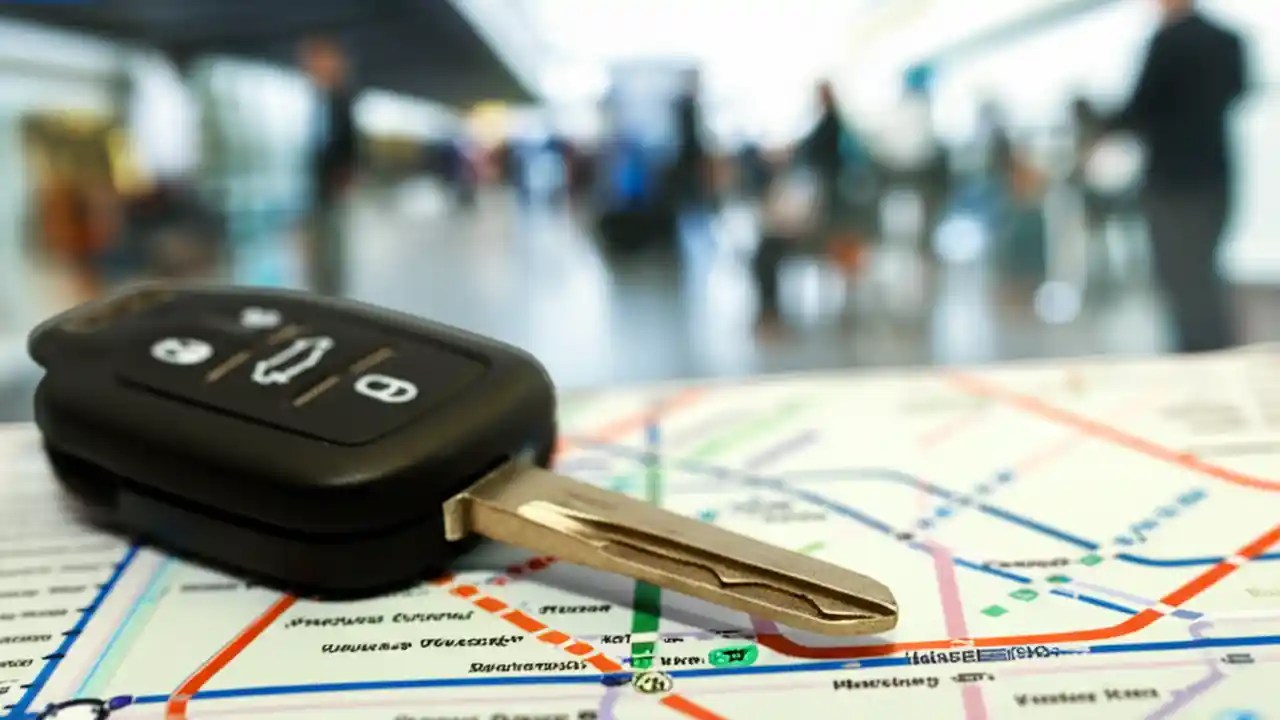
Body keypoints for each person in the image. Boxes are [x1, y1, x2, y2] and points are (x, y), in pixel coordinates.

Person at [1101, 0, 1247, 352]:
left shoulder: (1166, 43)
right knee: (1203, 272)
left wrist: (1102, 124)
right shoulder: (1227, 40)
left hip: (1172, 177)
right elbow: (1239, 91)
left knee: (1179, 277)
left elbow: (1139, 108)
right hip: (1214, 172)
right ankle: (1215, 353)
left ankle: (1197, 356)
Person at [299, 37, 358, 296]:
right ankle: (322, 291)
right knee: (317, 247)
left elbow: (347, 144)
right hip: (314, 186)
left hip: (330, 186)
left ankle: (330, 294)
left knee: (329, 247)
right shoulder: (317, 98)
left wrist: (345, 176)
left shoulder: (340, 100)